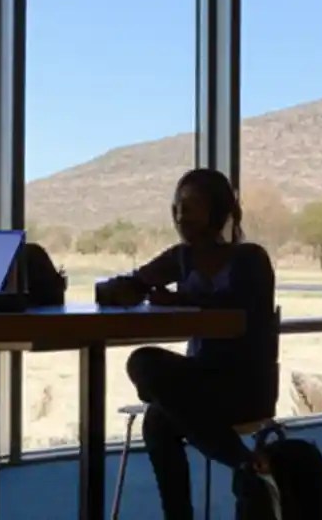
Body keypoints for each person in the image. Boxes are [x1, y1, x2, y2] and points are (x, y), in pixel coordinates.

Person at [116, 169, 276, 520]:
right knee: (150, 387)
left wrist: (178, 300)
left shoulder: (250, 258)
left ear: (217, 210)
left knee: (153, 389)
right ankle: (246, 465)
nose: (179, 217)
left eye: (189, 207)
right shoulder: (182, 257)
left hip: (243, 385)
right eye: (176, 208)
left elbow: (241, 312)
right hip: (199, 379)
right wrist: (125, 288)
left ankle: (244, 465)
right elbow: (134, 282)